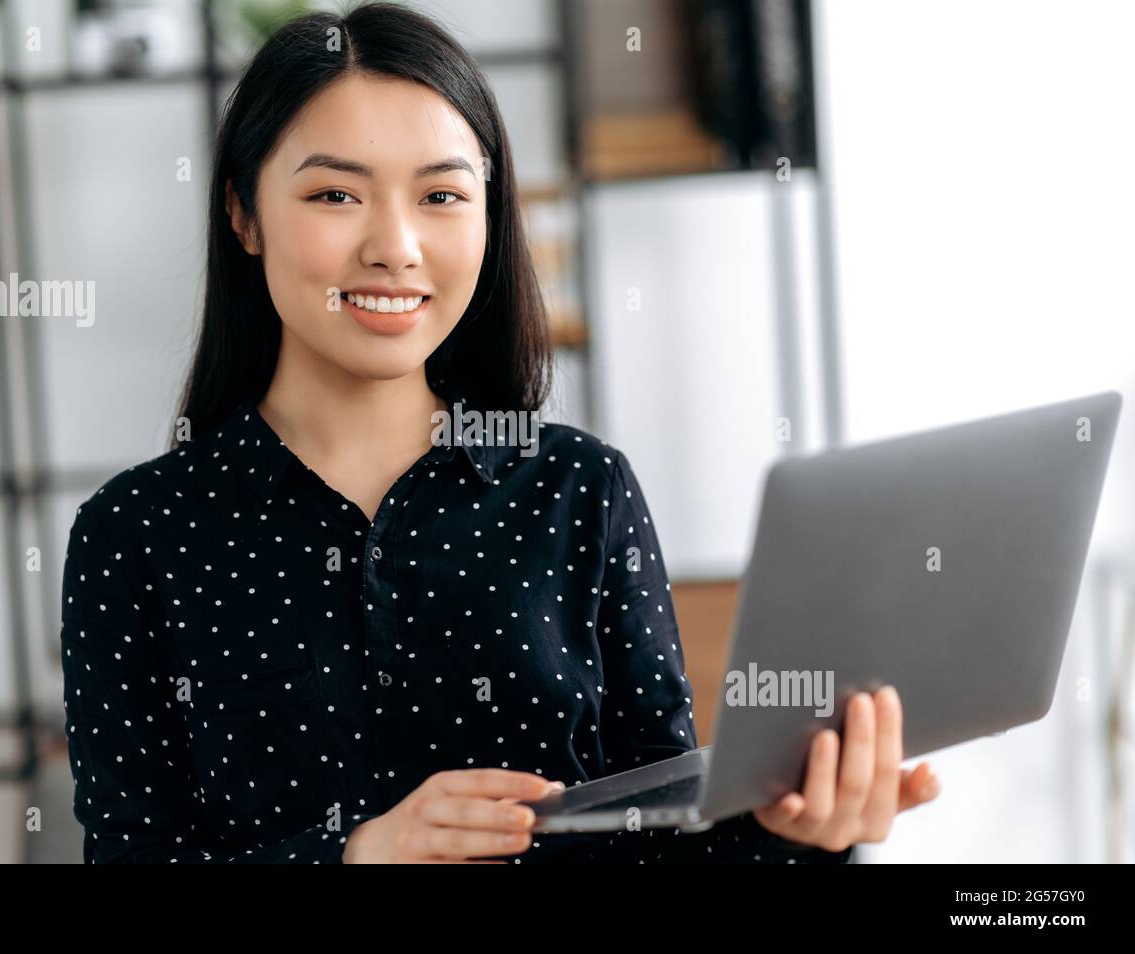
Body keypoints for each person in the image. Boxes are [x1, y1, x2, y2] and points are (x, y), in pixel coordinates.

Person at [59, 2, 940, 864]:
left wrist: (795, 835)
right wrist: (356, 858)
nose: (396, 246)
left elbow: (663, 835)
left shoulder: (580, 490)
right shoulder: (135, 537)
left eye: (442, 194)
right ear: (243, 215)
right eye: (335, 193)